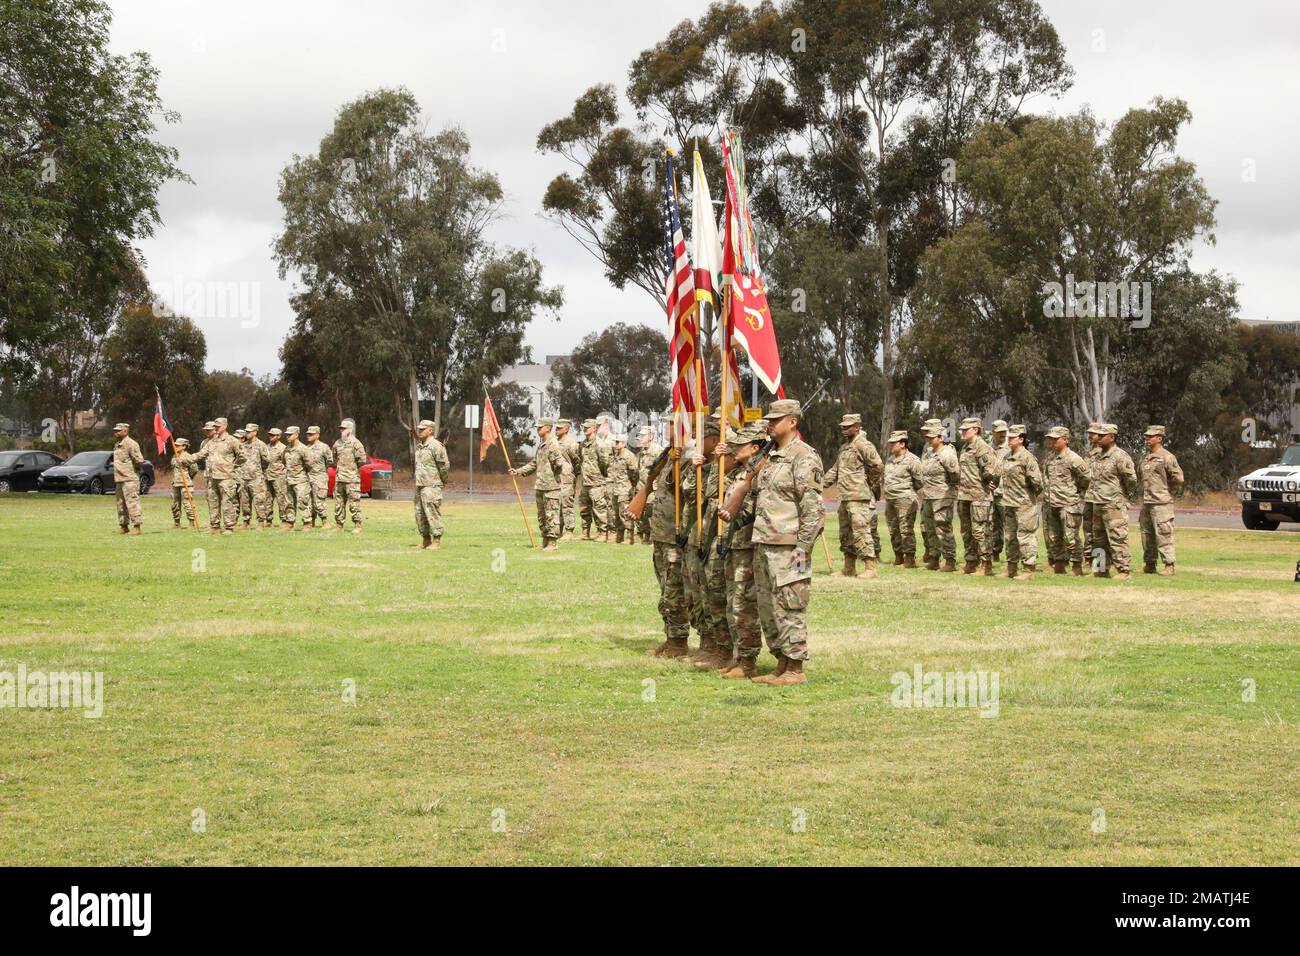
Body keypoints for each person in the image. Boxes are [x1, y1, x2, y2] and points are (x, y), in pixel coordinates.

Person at [745, 398, 823, 687]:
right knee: (769, 607)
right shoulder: (772, 457)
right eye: (769, 419)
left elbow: (812, 507)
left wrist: (803, 548)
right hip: (765, 542)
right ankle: (781, 662)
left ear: (792, 421)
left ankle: (795, 668)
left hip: (790, 546)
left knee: (790, 606)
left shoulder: (804, 456)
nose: (769, 424)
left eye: (775, 419)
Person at [716, 422, 766, 679]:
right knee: (731, 604)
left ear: (755, 448)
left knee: (744, 605)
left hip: (747, 545)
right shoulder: (740, 472)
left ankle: (747, 661)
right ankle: (737, 657)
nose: (735, 449)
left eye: (740, 445)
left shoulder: (759, 473)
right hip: (733, 544)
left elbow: (755, 508)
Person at [680, 418, 722, 664]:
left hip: (712, 540)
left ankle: (717, 646)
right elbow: (690, 496)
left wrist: (714, 465)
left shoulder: (724, 467)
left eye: (701, 439)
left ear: (715, 440)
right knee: (694, 594)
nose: (696, 443)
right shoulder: (699, 466)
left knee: (711, 595)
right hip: (694, 536)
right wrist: (693, 469)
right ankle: (705, 642)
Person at [822, 412, 884, 579]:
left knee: (861, 531)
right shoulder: (844, 448)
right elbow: (835, 470)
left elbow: (877, 465)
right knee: (846, 534)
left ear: (857, 427)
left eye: (848, 426)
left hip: (859, 497)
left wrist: (868, 484)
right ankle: (849, 568)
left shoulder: (864, 445)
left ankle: (870, 568)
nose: (844, 429)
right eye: (843, 426)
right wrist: (818, 484)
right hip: (844, 497)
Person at [646, 441, 691, 658]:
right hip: (661, 533)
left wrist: (676, 463)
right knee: (665, 590)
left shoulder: (689, 455)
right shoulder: (669, 453)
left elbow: (681, 488)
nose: (671, 428)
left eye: (676, 424)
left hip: (675, 535)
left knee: (674, 591)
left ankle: (679, 641)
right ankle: (670, 637)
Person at [1085, 423, 1137, 579]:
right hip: (1097, 502)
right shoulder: (1097, 455)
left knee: (1117, 537)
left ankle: (1123, 570)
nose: (1098, 439)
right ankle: (1101, 569)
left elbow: (1131, 479)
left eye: (1102, 436)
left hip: (1113, 504)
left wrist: (1123, 495)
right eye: (1098, 436)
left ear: (1112, 437)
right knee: (1098, 539)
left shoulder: (1120, 456)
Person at [510, 418, 567, 551]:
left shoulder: (553, 444)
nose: (537, 429)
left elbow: (559, 464)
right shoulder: (542, 444)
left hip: (551, 486)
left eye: (540, 427)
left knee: (551, 515)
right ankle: (545, 541)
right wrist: (518, 471)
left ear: (548, 428)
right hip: (541, 486)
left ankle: (552, 543)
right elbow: (534, 463)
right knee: (542, 516)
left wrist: (554, 476)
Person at [1041, 426, 1089, 575]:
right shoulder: (1049, 458)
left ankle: (1076, 566)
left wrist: (1077, 493)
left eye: (1055, 439)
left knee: (1071, 537)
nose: (1052, 441)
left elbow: (1086, 478)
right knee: (1054, 537)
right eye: (1050, 438)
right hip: (1051, 503)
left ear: (1065, 440)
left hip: (1068, 504)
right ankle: (1059, 565)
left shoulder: (1073, 458)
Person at [184, 417, 245, 534]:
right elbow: (201, 454)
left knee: (227, 503)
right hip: (212, 477)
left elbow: (242, 457)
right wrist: (186, 459)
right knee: (213, 502)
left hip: (226, 478)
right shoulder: (212, 442)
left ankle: (229, 527)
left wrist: (232, 466)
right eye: (215, 426)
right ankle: (215, 526)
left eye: (218, 426)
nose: (216, 428)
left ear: (225, 426)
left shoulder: (232, 441)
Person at [997, 424, 1043, 580]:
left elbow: (1037, 482)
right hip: (1008, 502)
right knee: (1010, 537)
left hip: (1024, 504)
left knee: (1025, 537)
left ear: (1021, 439)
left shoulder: (1027, 458)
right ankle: (1011, 568)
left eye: (1012, 437)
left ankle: (1028, 570)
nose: (1009, 439)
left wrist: (1029, 496)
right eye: (1008, 437)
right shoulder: (1006, 456)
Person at [956, 416, 998, 575]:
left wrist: (991, 482)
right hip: (965, 496)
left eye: (966, 429)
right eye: (962, 429)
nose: (963, 432)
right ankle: (971, 562)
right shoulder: (966, 446)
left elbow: (991, 468)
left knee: (981, 531)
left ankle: (985, 565)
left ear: (976, 430)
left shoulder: (981, 447)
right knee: (967, 532)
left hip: (979, 496)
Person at [1139, 425, 1184, 575]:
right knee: (1147, 535)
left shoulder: (1167, 457)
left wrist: (1167, 490)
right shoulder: (1146, 458)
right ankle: (1150, 564)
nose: (1147, 440)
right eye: (1146, 437)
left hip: (1162, 503)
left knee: (1164, 534)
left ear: (1159, 438)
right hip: (1147, 502)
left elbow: (1178, 478)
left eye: (1150, 437)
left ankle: (1169, 565)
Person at [918, 424, 959, 571]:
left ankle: (950, 561)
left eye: (931, 437)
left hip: (942, 496)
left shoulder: (947, 454)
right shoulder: (930, 453)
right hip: (928, 496)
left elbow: (955, 474)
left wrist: (951, 487)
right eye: (927, 437)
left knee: (943, 528)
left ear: (941, 438)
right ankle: (934, 559)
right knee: (930, 528)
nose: (928, 440)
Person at [882, 430, 922, 568]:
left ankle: (909, 559)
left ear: (903, 444)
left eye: (894, 443)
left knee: (905, 529)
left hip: (905, 499)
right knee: (893, 530)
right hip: (890, 500)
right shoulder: (890, 459)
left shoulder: (913, 460)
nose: (891, 446)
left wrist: (910, 494)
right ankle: (898, 557)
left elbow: (920, 481)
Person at [413, 419, 451, 550]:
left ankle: (436, 541)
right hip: (420, 485)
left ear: (430, 430)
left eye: (423, 429)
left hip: (432, 485)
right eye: (419, 429)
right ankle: (425, 540)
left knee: (432, 512)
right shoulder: (419, 446)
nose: (420, 431)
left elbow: (444, 466)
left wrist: (442, 481)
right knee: (419, 513)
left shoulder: (436, 446)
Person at [332, 418, 368, 534]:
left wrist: (352, 469)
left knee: (354, 503)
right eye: (341, 428)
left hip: (352, 479)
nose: (341, 430)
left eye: (344, 428)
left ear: (350, 430)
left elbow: (362, 460)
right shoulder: (337, 443)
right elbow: (334, 458)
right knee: (338, 503)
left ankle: (357, 525)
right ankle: (339, 525)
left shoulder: (356, 443)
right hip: (339, 479)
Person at [578, 418, 611, 540]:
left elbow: (605, 462)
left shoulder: (600, 444)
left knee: (600, 509)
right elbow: (581, 460)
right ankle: (585, 532)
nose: (585, 429)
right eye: (584, 427)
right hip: (585, 482)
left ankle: (603, 533)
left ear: (595, 429)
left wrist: (599, 475)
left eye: (588, 427)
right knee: (584, 509)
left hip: (597, 482)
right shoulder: (582, 444)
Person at [111, 422, 144, 535]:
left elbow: (139, 460)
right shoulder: (117, 445)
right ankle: (124, 526)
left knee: (132, 503)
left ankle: (136, 527)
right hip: (120, 479)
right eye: (115, 430)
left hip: (130, 479)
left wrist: (132, 471)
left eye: (118, 430)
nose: (116, 432)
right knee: (120, 504)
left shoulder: (131, 444)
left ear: (125, 431)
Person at [609, 434, 640, 545]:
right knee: (616, 514)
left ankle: (629, 536)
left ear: (624, 443)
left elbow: (634, 473)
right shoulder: (615, 455)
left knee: (625, 513)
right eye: (615, 442)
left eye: (618, 442)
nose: (615, 444)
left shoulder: (628, 456)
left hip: (625, 488)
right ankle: (619, 535)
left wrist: (632, 485)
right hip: (616, 488)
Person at [634, 425, 662, 544]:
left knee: (651, 512)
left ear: (650, 437)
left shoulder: (658, 451)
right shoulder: (641, 453)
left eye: (642, 436)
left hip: (654, 488)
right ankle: (645, 535)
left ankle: (653, 536)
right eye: (639, 436)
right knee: (643, 512)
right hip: (641, 487)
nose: (639, 438)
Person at [302, 425, 334, 529]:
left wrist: (321, 471)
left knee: (319, 500)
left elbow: (331, 461)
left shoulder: (324, 447)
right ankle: (311, 522)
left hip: (319, 478)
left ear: (317, 435)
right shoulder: (306, 448)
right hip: (308, 477)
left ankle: (325, 522)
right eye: (308, 434)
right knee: (309, 501)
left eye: (311, 434)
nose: (308, 436)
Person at [240, 423, 271, 530]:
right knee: (245, 502)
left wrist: (258, 471)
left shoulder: (261, 445)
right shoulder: (243, 445)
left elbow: (267, 461)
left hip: (256, 479)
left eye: (249, 432)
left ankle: (261, 522)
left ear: (255, 432)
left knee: (259, 501)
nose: (246, 433)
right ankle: (246, 522)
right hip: (244, 478)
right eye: (246, 431)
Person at [555, 419, 581, 541]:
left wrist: (572, 474)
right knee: (556, 505)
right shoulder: (554, 443)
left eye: (559, 428)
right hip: (556, 479)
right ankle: (557, 530)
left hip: (567, 479)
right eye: (556, 427)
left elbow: (577, 462)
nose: (556, 430)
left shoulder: (572, 444)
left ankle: (569, 531)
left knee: (567, 505)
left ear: (566, 429)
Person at [282, 427, 312, 530]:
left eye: (290, 435)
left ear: (296, 435)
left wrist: (301, 474)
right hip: (289, 479)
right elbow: (284, 462)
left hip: (300, 480)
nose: (287, 436)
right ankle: (290, 522)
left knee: (302, 501)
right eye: (287, 435)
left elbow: (309, 464)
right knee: (289, 502)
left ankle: (307, 523)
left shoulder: (303, 449)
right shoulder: (286, 448)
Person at [988, 420, 1010, 561]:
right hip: (989, 493)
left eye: (1004, 431)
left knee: (1009, 525)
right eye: (999, 431)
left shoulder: (1010, 448)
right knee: (991, 525)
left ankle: (1015, 556)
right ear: (993, 432)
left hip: (1006, 493)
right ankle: (994, 553)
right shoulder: (987, 448)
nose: (1002, 434)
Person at [264, 428, 291, 528]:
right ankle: (268, 520)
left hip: (279, 477)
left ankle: (284, 519)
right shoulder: (266, 447)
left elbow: (286, 462)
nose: (271, 436)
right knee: (267, 500)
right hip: (267, 477)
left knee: (281, 499)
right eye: (270, 434)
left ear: (279, 436)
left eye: (273, 435)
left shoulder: (284, 448)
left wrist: (282, 473)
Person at [170, 438, 198, 528]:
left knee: (188, 503)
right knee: (175, 504)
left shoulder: (187, 456)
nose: (176, 446)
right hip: (176, 483)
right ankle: (177, 523)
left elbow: (194, 469)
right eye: (175, 445)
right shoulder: (175, 456)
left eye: (178, 445)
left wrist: (188, 477)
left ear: (184, 446)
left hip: (185, 483)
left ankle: (191, 523)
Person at [197, 421, 219, 531]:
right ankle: (214, 523)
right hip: (209, 475)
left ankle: (230, 525)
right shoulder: (204, 443)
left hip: (222, 475)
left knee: (227, 501)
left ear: (215, 430)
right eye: (206, 430)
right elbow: (201, 456)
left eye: (209, 430)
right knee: (211, 499)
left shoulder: (221, 441)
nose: (206, 432)